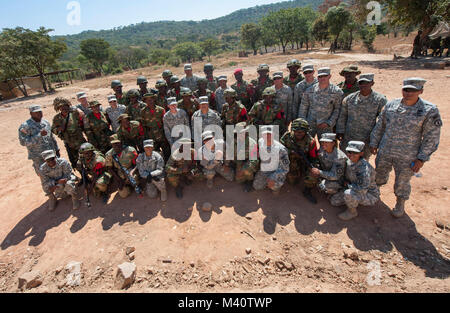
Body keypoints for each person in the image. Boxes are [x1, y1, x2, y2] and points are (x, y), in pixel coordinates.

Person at [370, 77, 442, 217]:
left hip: (408, 155)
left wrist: (422, 158)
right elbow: (380, 126)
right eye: (406, 90)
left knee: (402, 181)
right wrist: (374, 142)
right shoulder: (391, 106)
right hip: (386, 150)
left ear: (420, 91)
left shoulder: (428, 110)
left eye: (413, 91)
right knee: (379, 174)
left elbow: (431, 137)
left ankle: (400, 203)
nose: (408, 93)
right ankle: (374, 192)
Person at [336, 74, 387, 159]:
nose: (363, 85)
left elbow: (382, 121)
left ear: (372, 83)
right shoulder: (350, 99)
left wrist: (375, 140)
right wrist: (340, 130)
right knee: (345, 160)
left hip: (366, 140)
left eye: (367, 83)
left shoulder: (380, 100)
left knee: (362, 162)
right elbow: (342, 116)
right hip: (349, 138)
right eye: (361, 83)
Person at [330, 141, 380, 221]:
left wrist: (348, 186)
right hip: (354, 187)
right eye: (349, 152)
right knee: (334, 201)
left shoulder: (363, 169)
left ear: (361, 153)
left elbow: (362, 190)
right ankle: (351, 201)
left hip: (369, 194)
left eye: (355, 153)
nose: (351, 155)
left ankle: (352, 212)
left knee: (348, 194)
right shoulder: (349, 161)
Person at [280, 118, 319, 203]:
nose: (299, 134)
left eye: (302, 132)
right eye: (296, 131)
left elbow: (314, 158)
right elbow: (279, 150)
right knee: (292, 181)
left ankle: (307, 191)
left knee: (314, 173)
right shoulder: (287, 136)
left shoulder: (311, 141)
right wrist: (292, 152)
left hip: (305, 161)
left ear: (306, 131)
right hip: (291, 160)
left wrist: (313, 168)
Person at [299, 67, 343, 138]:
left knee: (326, 148)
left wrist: (329, 123)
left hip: (326, 126)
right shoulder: (309, 90)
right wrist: (303, 123)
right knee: (307, 146)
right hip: (310, 125)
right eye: (320, 76)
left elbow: (338, 109)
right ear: (318, 77)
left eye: (325, 76)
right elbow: (303, 107)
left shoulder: (337, 92)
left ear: (329, 76)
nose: (322, 78)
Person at [19, 105, 60, 178]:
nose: (39, 114)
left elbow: (51, 137)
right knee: (44, 176)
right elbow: (23, 142)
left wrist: (57, 149)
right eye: (36, 112)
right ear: (31, 114)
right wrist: (38, 135)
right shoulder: (25, 126)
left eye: (40, 112)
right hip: (38, 157)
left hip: (51, 154)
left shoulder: (46, 122)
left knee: (57, 172)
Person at [253, 126, 290, 195]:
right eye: (265, 134)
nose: (267, 136)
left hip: (276, 171)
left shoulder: (281, 149)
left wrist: (273, 177)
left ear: (273, 135)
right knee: (257, 186)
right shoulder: (260, 142)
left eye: (269, 134)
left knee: (273, 185)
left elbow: (285, 168)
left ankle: (276, 187)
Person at [51, 98, 86, 169]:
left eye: (65, 106)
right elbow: (53, 129)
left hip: (80, 141)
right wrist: (58, 129)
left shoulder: (74, 113)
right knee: (75, 162)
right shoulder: (56, 118)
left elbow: (82, 115)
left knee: (86, 157)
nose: (64, 109)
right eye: (61, 107)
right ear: (59, 108)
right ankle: (84, 176)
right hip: (69, 143)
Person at [141, 91, 170, 161]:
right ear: (145, 101)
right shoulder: (143, 111)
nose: (150, 101)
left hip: (162, 135)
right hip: (151, 137)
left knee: (167, 153)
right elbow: (144, 125)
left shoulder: (161, 110)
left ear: (154, 99)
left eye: (151, 99)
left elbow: (165, 123)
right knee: (155, 154)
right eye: (147, 100)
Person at [231, 122, 259, 192]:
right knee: (238, 180)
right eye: (238, 133)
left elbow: (254, 160)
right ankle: (243, 175)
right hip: (240, 162)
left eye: (242, 132)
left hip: (249, 163)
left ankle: (250, 181)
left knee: (247, 171)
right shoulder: (234, 142)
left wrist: (243, 169)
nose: (240, 135)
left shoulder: (252, 143)